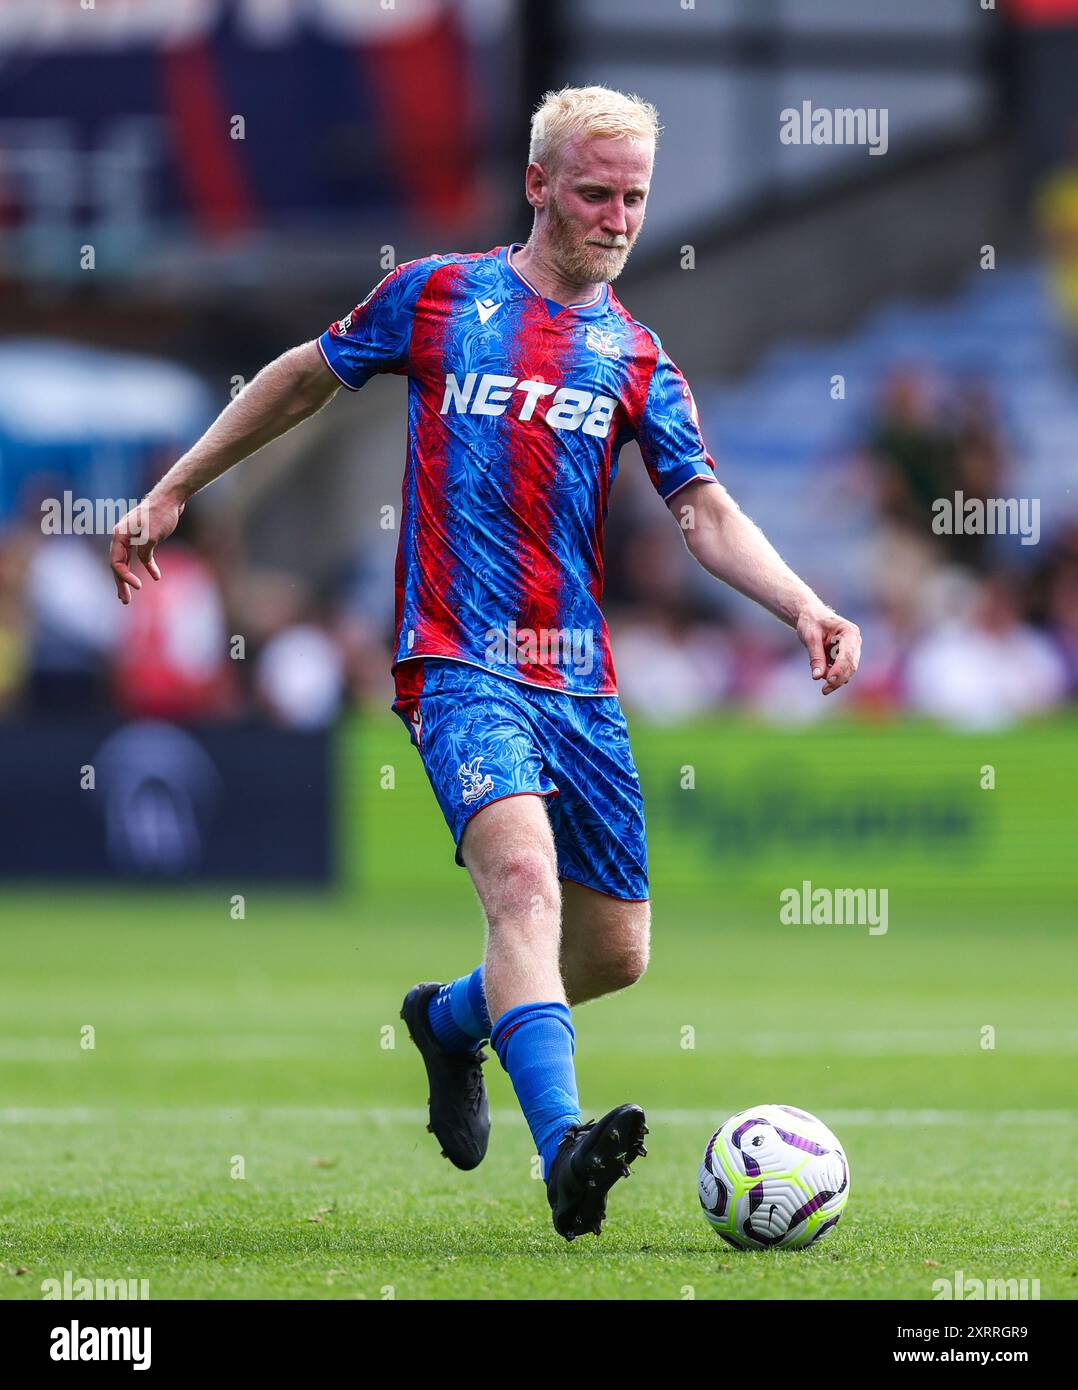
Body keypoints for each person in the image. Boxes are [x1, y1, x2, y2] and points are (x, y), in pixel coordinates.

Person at [109, 85, 861, 1241]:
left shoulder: (637, 356)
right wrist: (174, 487)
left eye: (635, 198)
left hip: (580, 678)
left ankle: (450, 1022)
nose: (617, 217)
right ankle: (562, 1150)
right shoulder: (441, 295)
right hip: (456, 658)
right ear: (538, 185)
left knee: (610, 954)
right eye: (596, 192)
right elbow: (304, 374)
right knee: (521, 884)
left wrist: (803, 602)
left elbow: (702, 510)